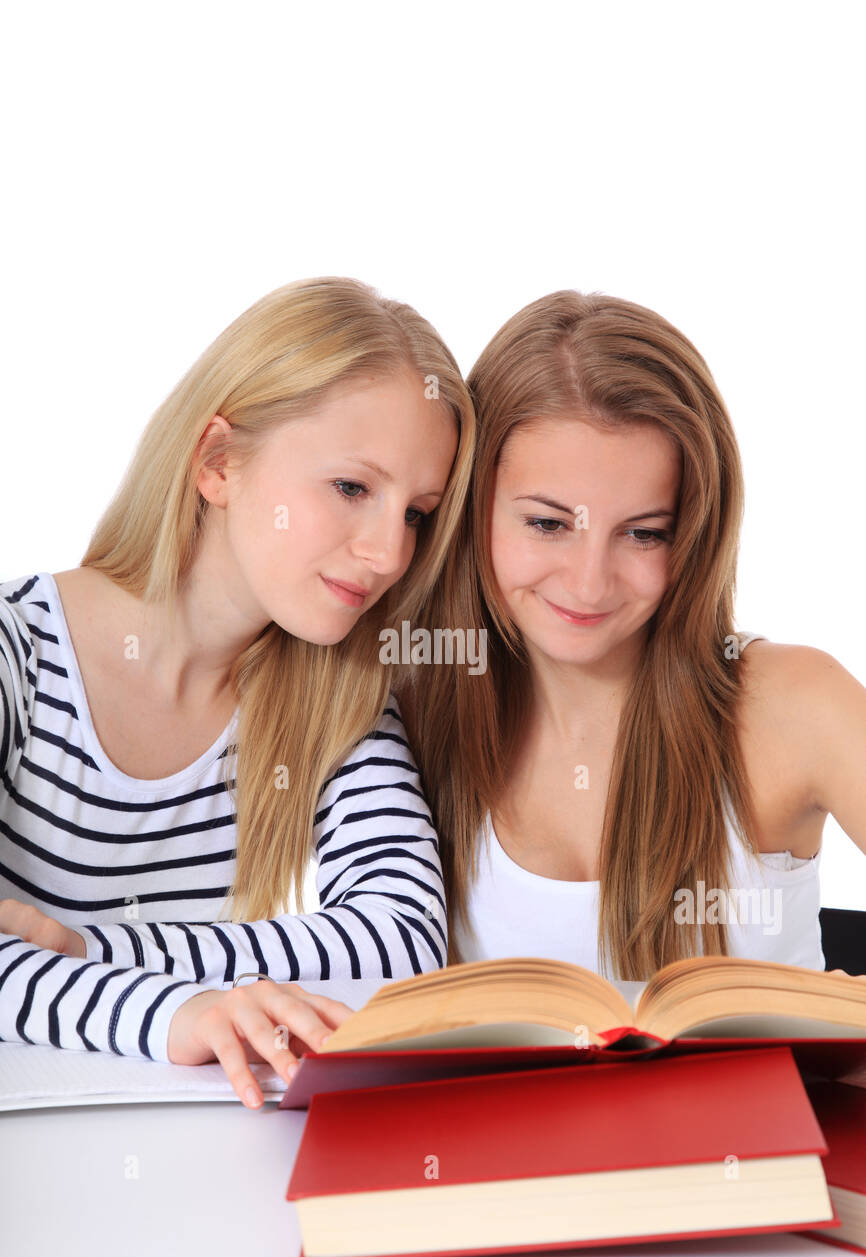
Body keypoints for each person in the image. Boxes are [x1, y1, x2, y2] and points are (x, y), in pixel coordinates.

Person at [0, 275, 475, 1106]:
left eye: (416, 513)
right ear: (219, 463)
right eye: (353, 488)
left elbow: (401, 942)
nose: (390, 554)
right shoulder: (21, 655)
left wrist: (88, 948)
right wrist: (173, 1012)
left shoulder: (341, 696)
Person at [395, 290, 866, 981]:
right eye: (548, 524)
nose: (590, 585)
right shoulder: (410, 713)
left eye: (645, 533)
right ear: (471, 510)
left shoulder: (792, 703)